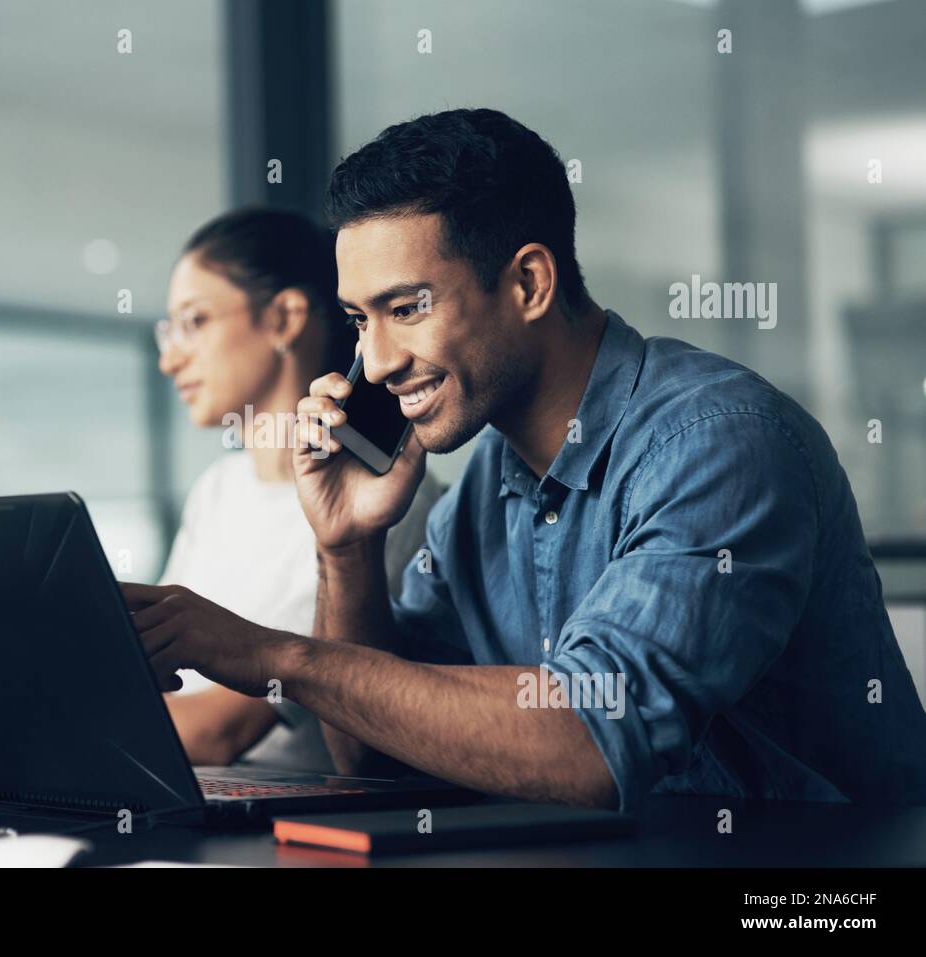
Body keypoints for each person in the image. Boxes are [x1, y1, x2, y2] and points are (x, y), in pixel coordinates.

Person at [121, 108, 926, 812]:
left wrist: (269, 653)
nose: (378, 361)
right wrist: (346, 546)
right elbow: (377, 754)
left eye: (408, 308)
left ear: (530, 283)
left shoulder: (720, 442)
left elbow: (589, 745)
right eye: (361, 321)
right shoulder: (484, 485)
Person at [0, 208, 440, 773]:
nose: (169, 359)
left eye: (195, 322)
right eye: (168, 330)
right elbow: (136, 682)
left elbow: (212, 731)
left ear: (285, 318)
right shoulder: (219, 490)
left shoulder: (377, 499)